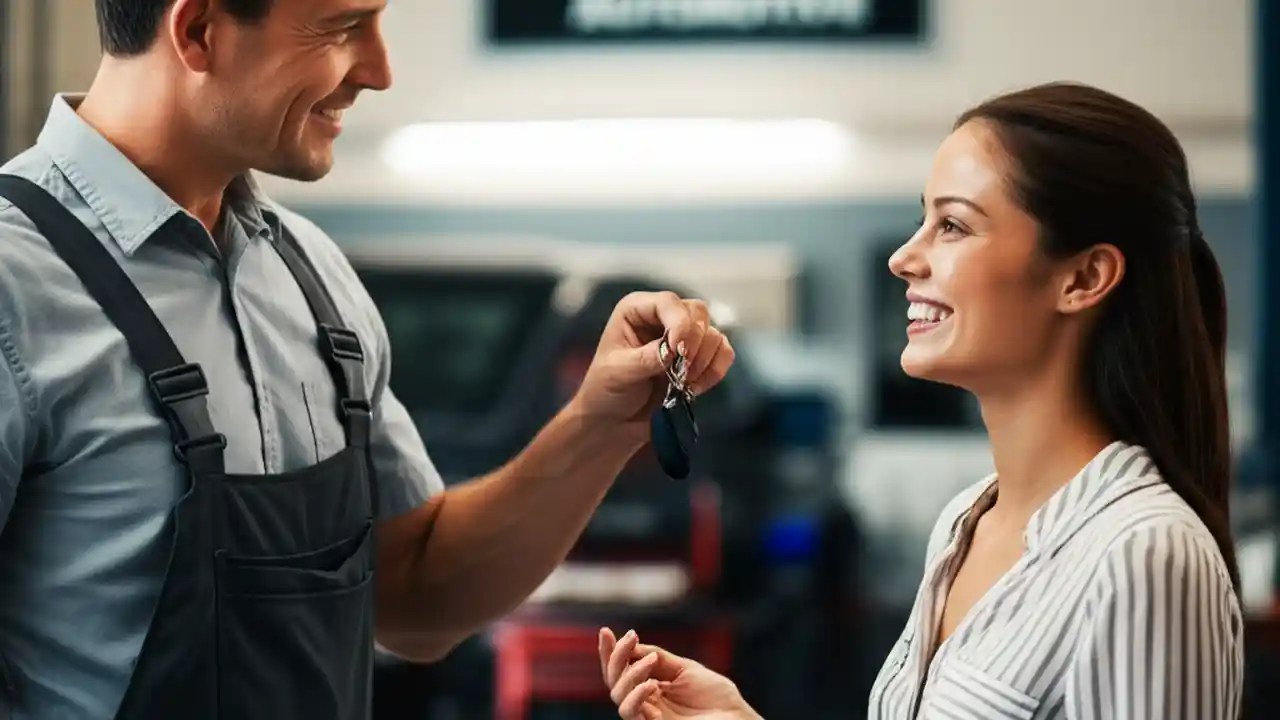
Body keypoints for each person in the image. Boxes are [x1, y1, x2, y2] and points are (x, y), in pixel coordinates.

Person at [0, 1, 735, 718]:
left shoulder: (311, 277)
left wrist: (600, 423)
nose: (380, 72)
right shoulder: (15, 286)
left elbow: (418, 597)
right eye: (345, 27)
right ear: (199, 31)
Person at [598, 81, 1245, 719]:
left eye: (953, 226)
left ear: (1082, 277)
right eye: (922, 221)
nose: (905, 258)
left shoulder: (1145, 555)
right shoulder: (964, 525)